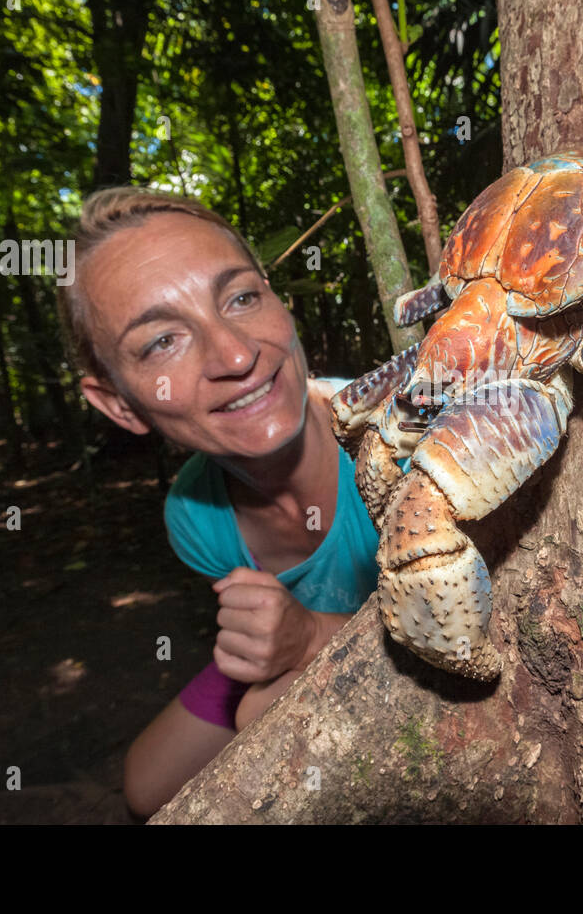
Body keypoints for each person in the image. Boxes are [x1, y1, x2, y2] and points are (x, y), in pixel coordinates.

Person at [57, 188, 386, 818]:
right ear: (119, 404)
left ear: (277, 301)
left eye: (240, 298)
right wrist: (278, 640)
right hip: (288, 639)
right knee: (146, 785)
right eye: (162, 343)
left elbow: (509, 631)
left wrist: (312, 637)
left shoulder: (405, 438)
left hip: (354, 640)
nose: (237, 356)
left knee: (263, 713)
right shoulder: (194, 516)